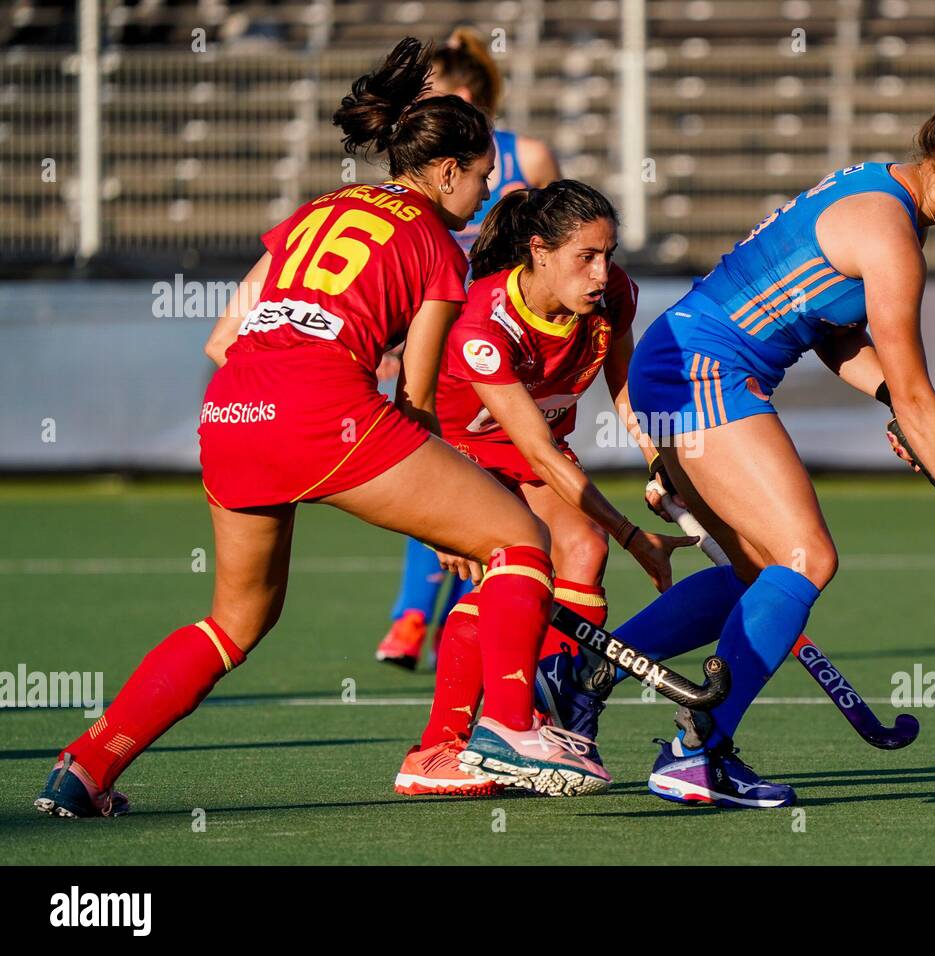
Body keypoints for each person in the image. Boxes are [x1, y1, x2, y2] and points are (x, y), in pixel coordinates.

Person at [33, 37, 590, 817]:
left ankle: (85, 767)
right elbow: (420, 399)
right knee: (519, 540)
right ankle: (503, 728)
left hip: (230, 411)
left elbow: (241, 326)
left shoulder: (317, 210)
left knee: (234, 622)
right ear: (447, 171)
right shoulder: (436, 244)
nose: (489, 189)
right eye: (482, 175)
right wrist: (451, 519)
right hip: (322, 412)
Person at [615, 69, 935, 808]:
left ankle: (576, 679)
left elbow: (833, 338)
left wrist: (895, 405)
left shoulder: (880, 194)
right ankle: (696, 752)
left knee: (759, 575)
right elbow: (919, 393)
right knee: (807, 557)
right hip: (701, 368)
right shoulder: (890, 235)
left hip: (679, 361)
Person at [392, 180, 695, 797]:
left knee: (582, 551)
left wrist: (656, 460)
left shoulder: (614, 297)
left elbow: (626, 387)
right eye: (586, 257)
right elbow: (535, 452)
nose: (601, 272)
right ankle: (437, 750)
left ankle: (556, 716)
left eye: (608, 254)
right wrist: (637, 538)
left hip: (536, 452)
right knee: (517, 566)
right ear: (539, 252)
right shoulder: (482, 323)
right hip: (457, 458)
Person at [376, 27, 563, 671]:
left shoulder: (526, 156)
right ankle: (413, 617)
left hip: (496, 332)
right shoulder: (425, 192)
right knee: (444, 467)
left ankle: (452, 627)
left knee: (481, 479)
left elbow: (556, 242)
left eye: (439, 96)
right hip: (437, 322)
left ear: (467, 96)